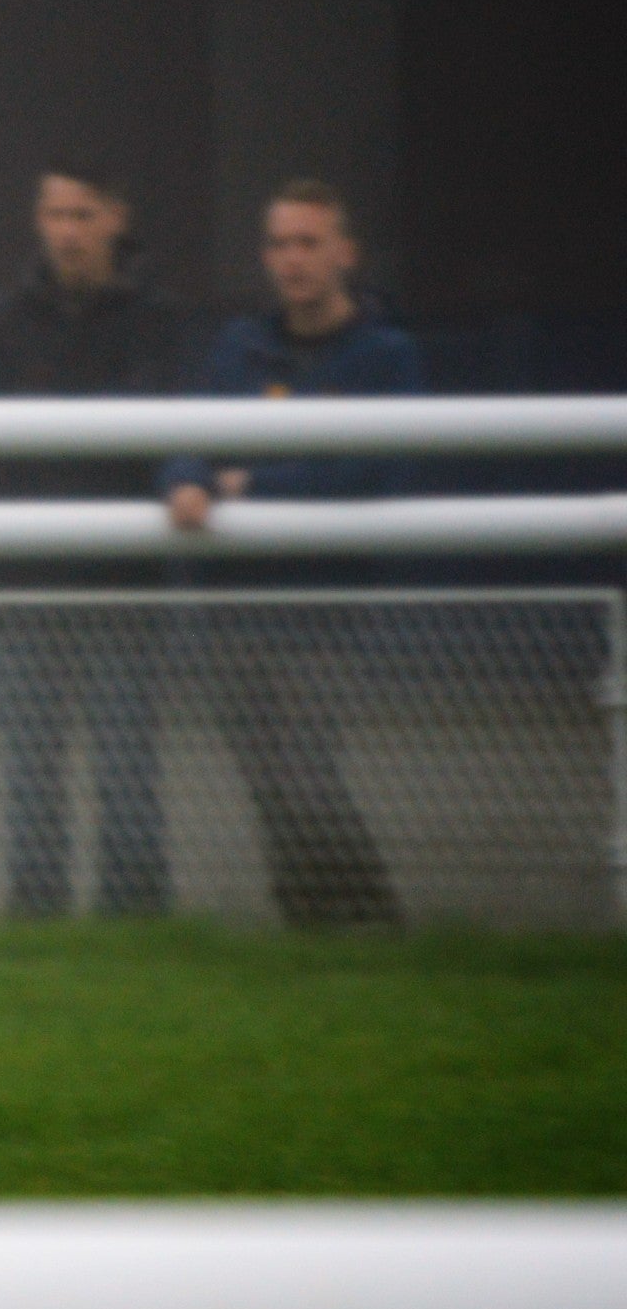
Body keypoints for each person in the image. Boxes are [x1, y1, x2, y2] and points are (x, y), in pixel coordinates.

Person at [163, 179, 422, 927]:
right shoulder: (237, 346)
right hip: (234, 604)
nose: (294, 259)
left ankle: (373, 920)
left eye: (309, 242)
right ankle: (309, 930)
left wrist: (249, 485)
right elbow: (189, 440)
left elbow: (369, 472)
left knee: (305, 773)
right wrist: (186, 481)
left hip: (323, 604)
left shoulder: (386, 355)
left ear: (346, 253)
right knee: (265, 782)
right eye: (280, 243)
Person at [0, 162, 184, 919]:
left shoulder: (157, 317)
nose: (68, 230)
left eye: (83, 214)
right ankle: (37, 921)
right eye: (56, 214)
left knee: (125, 763)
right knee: (31, 768)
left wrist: (51, 414)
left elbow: (156, 425)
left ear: (117, 219)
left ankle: (137, 921)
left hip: (122, 579)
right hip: (23, 580)